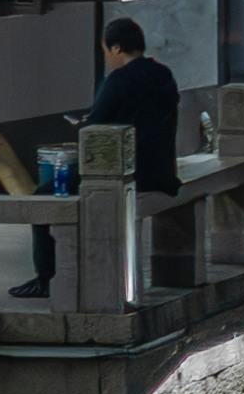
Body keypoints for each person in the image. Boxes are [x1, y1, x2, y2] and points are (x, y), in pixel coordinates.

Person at [13, 18, 180, 299]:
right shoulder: (164, 74)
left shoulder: (119, 80)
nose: (107, 58)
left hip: (123, 174)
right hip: (161, 172)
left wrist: (81, 124)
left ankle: (47, 277)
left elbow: (95, 128)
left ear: (116, 48)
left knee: (41, 200)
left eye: (106, 51)